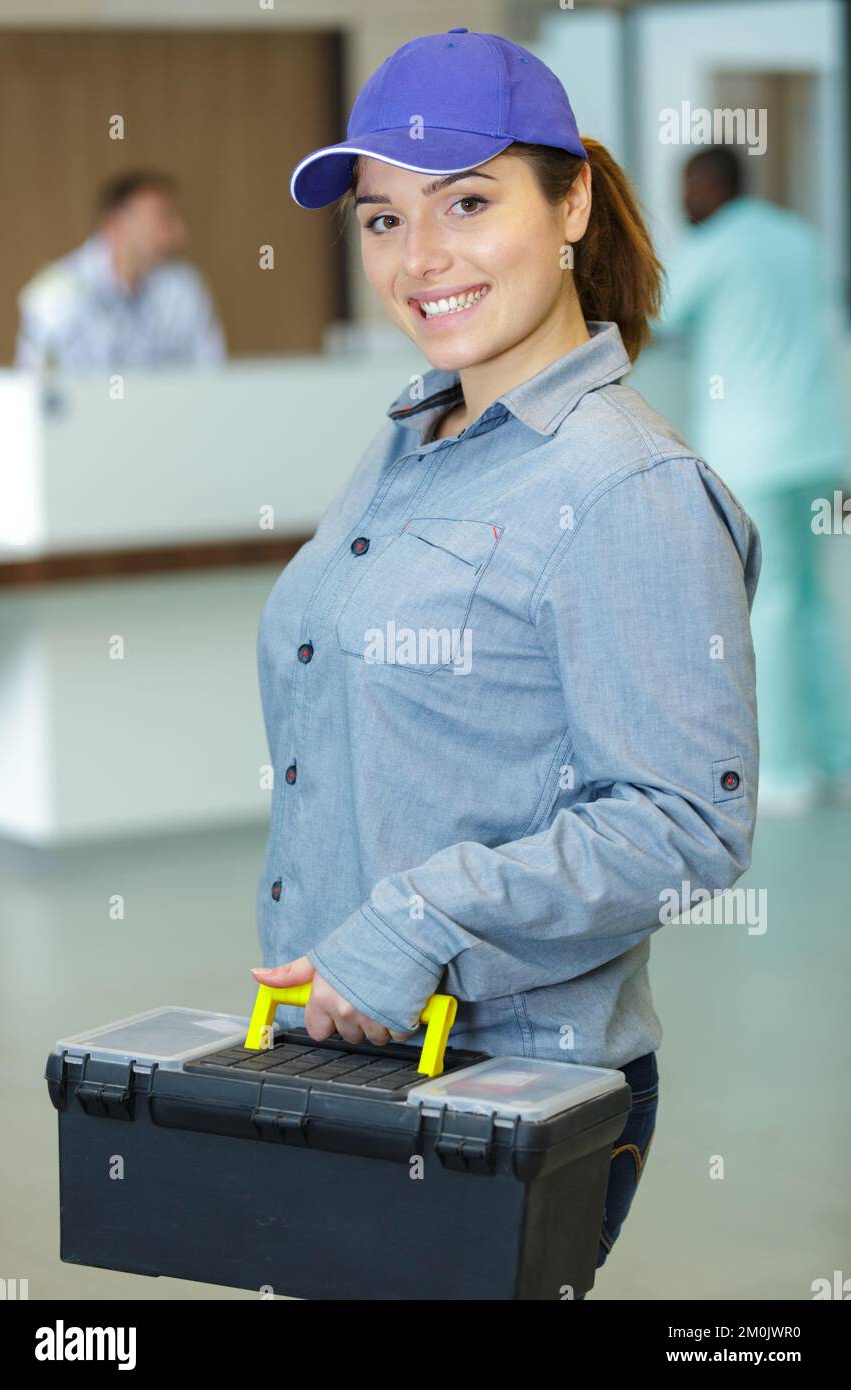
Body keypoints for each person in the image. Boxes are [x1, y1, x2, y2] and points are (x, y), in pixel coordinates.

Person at [250, 28, 761, 1291]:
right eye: (381, 220)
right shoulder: (413, 441)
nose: (418, 259)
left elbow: (685, 820)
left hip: (508, 1086)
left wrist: (412, 923)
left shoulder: (624, 485)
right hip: (352, 1053)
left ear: (570, 199)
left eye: (466, 202)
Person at [660, 146, 851, 814]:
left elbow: (656, 316)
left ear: (714, 186)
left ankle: (790, 774)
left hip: (758, 455)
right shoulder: (799, 238)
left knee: (766, 611)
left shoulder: (717, 246)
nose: (682, 202)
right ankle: (838, 759)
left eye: (687, 187)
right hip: (821, 450)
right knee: (812, 606)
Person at [15, 171, 226, 369]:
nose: (180, 232)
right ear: (115, 225)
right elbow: (36, 388)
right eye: (164, 218)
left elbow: (210, 373)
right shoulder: (55, 293)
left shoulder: (184, 287)